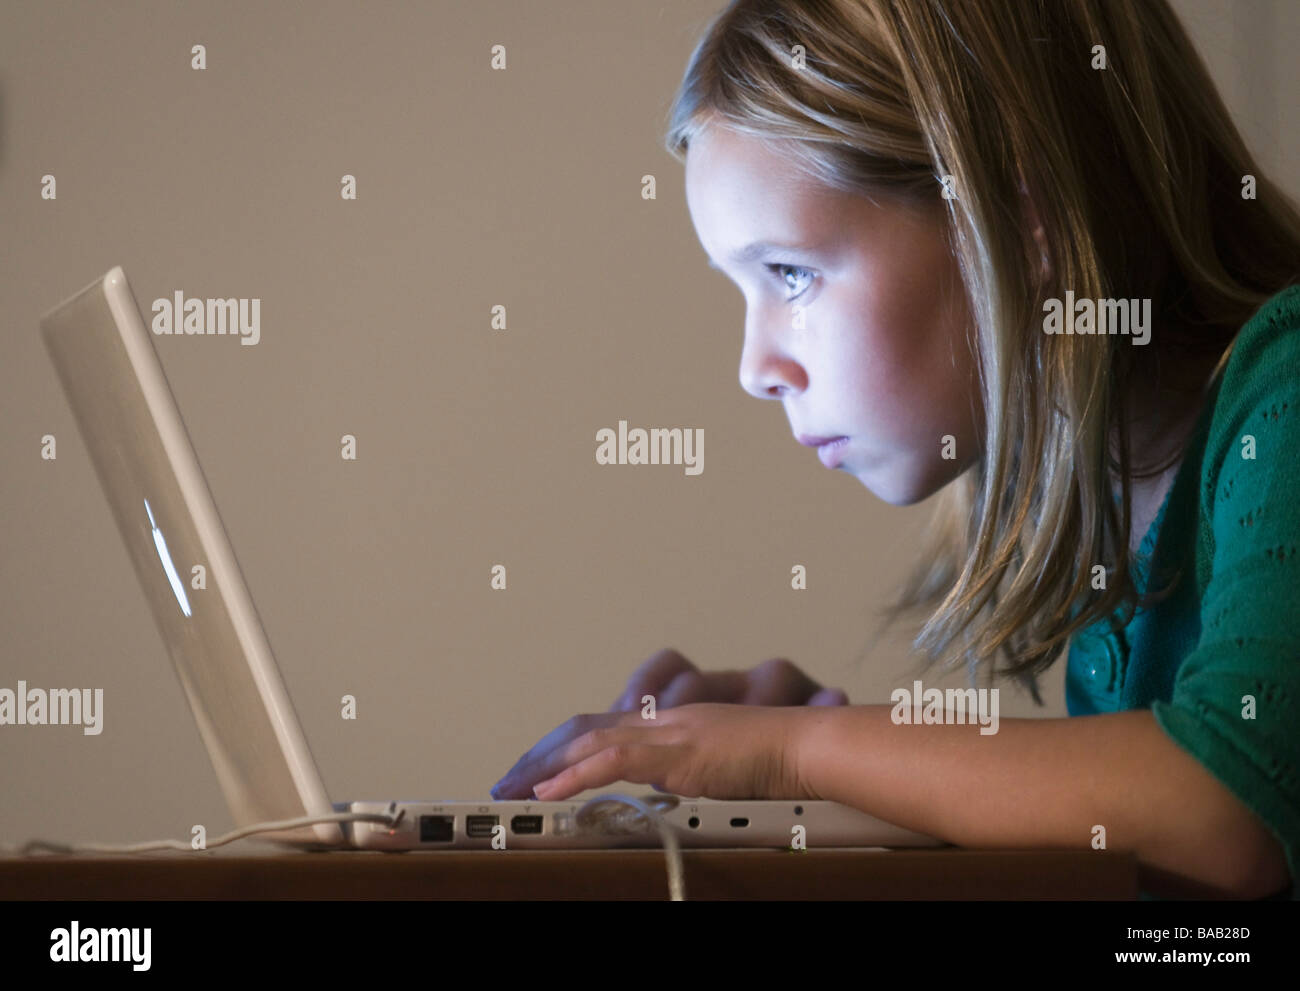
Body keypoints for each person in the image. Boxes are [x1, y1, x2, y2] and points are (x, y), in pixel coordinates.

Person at [490, 0, 1300, 899]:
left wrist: (800, 756)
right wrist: (849, 774)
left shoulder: (1287, 397)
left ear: (1022, 222)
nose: (756, 367)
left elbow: (1228, 813)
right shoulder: (1118, 496)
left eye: (791, 273)